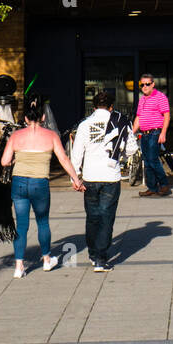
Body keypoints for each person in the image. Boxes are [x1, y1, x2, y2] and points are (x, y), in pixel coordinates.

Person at [0, 92, 82, 278]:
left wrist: (16, 161)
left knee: (21, 225)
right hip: (40, 183)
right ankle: (46, 260)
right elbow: (63, 159)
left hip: (19, 182)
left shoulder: (16, 136)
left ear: (25, 117)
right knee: (42, 222)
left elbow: (5, 161)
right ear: (43, 116)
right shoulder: (51, 136)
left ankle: (19, 266)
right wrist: (76, 179)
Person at [70, 90, 138, 272]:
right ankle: (101, 257)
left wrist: (74, 177)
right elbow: (132, 148)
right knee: (106, 217)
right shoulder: (121, 122)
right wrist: (121, 155)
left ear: (93, 107)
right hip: (110, 176)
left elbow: (77, 153)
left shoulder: (85, 125)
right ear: (111, 106)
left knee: (93, 217)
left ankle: (93, 254)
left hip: (90, 176)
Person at [132, 74, 172, 197]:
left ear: (153, 84)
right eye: (142, 84)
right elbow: (138, 117)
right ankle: (152, 187)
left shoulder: (160, 97)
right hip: (144, 134)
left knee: (153, 159)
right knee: (147, 161)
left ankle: (164, 185)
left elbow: (166, 116)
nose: (144, 87)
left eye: (147, 84)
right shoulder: (142, 99)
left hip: (155, 132)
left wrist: (163, 133)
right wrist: (132, 132)